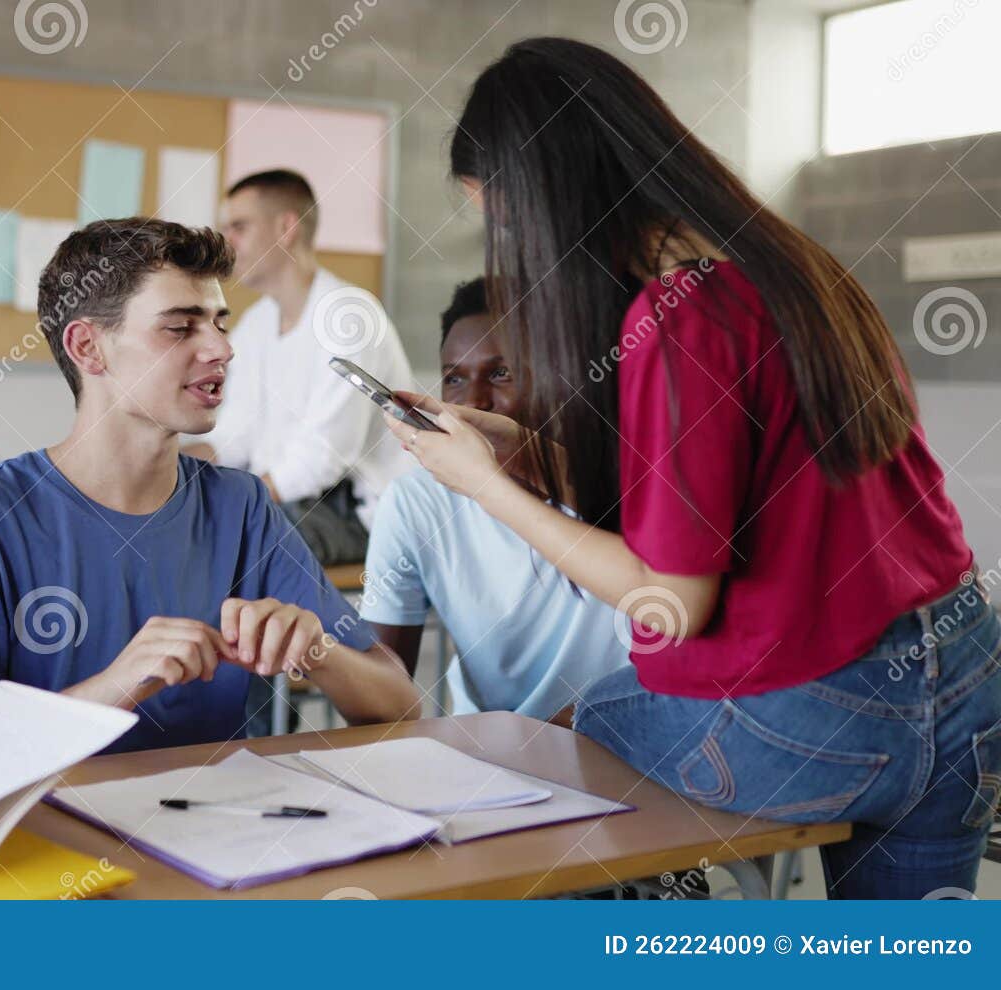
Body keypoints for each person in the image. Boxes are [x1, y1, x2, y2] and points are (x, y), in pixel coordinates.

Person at [393, 37, 997, 899]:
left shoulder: (676, 322)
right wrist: (527, 458)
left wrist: (483, 487)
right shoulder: (792, 267)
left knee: (587, 719)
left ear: (555, 198)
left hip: (826, 713)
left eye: (503, 220)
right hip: (964, 668)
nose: (507, 252)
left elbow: (671, 602)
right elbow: (725, 496)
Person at [0, 218, 421, 750]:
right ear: (87, 348)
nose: (221, 348)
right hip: (52, 825)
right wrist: (114, 688)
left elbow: (401, 703)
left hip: (211, 823)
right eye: (180, 327)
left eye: (220, 322)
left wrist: (317, 650)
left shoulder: (240, 506)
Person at [361, 278, 626, 719]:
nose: (476, 400)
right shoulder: (415, 501)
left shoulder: (623, 484)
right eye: (454, 378)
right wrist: (324, 651)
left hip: (612, 748)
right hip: (488, 754)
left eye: (501, 373)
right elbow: (381, 703)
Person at [188, 169, 411, 565]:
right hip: (292, 502)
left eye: (239, 226)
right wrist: (170, 469)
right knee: (179, 521)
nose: (228, 242)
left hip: (357, 514)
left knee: (222, 544)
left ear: (286, 227)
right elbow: (234, 441)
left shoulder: (347, 315)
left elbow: (322, 460)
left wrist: (232, 503)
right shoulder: (256, 325)